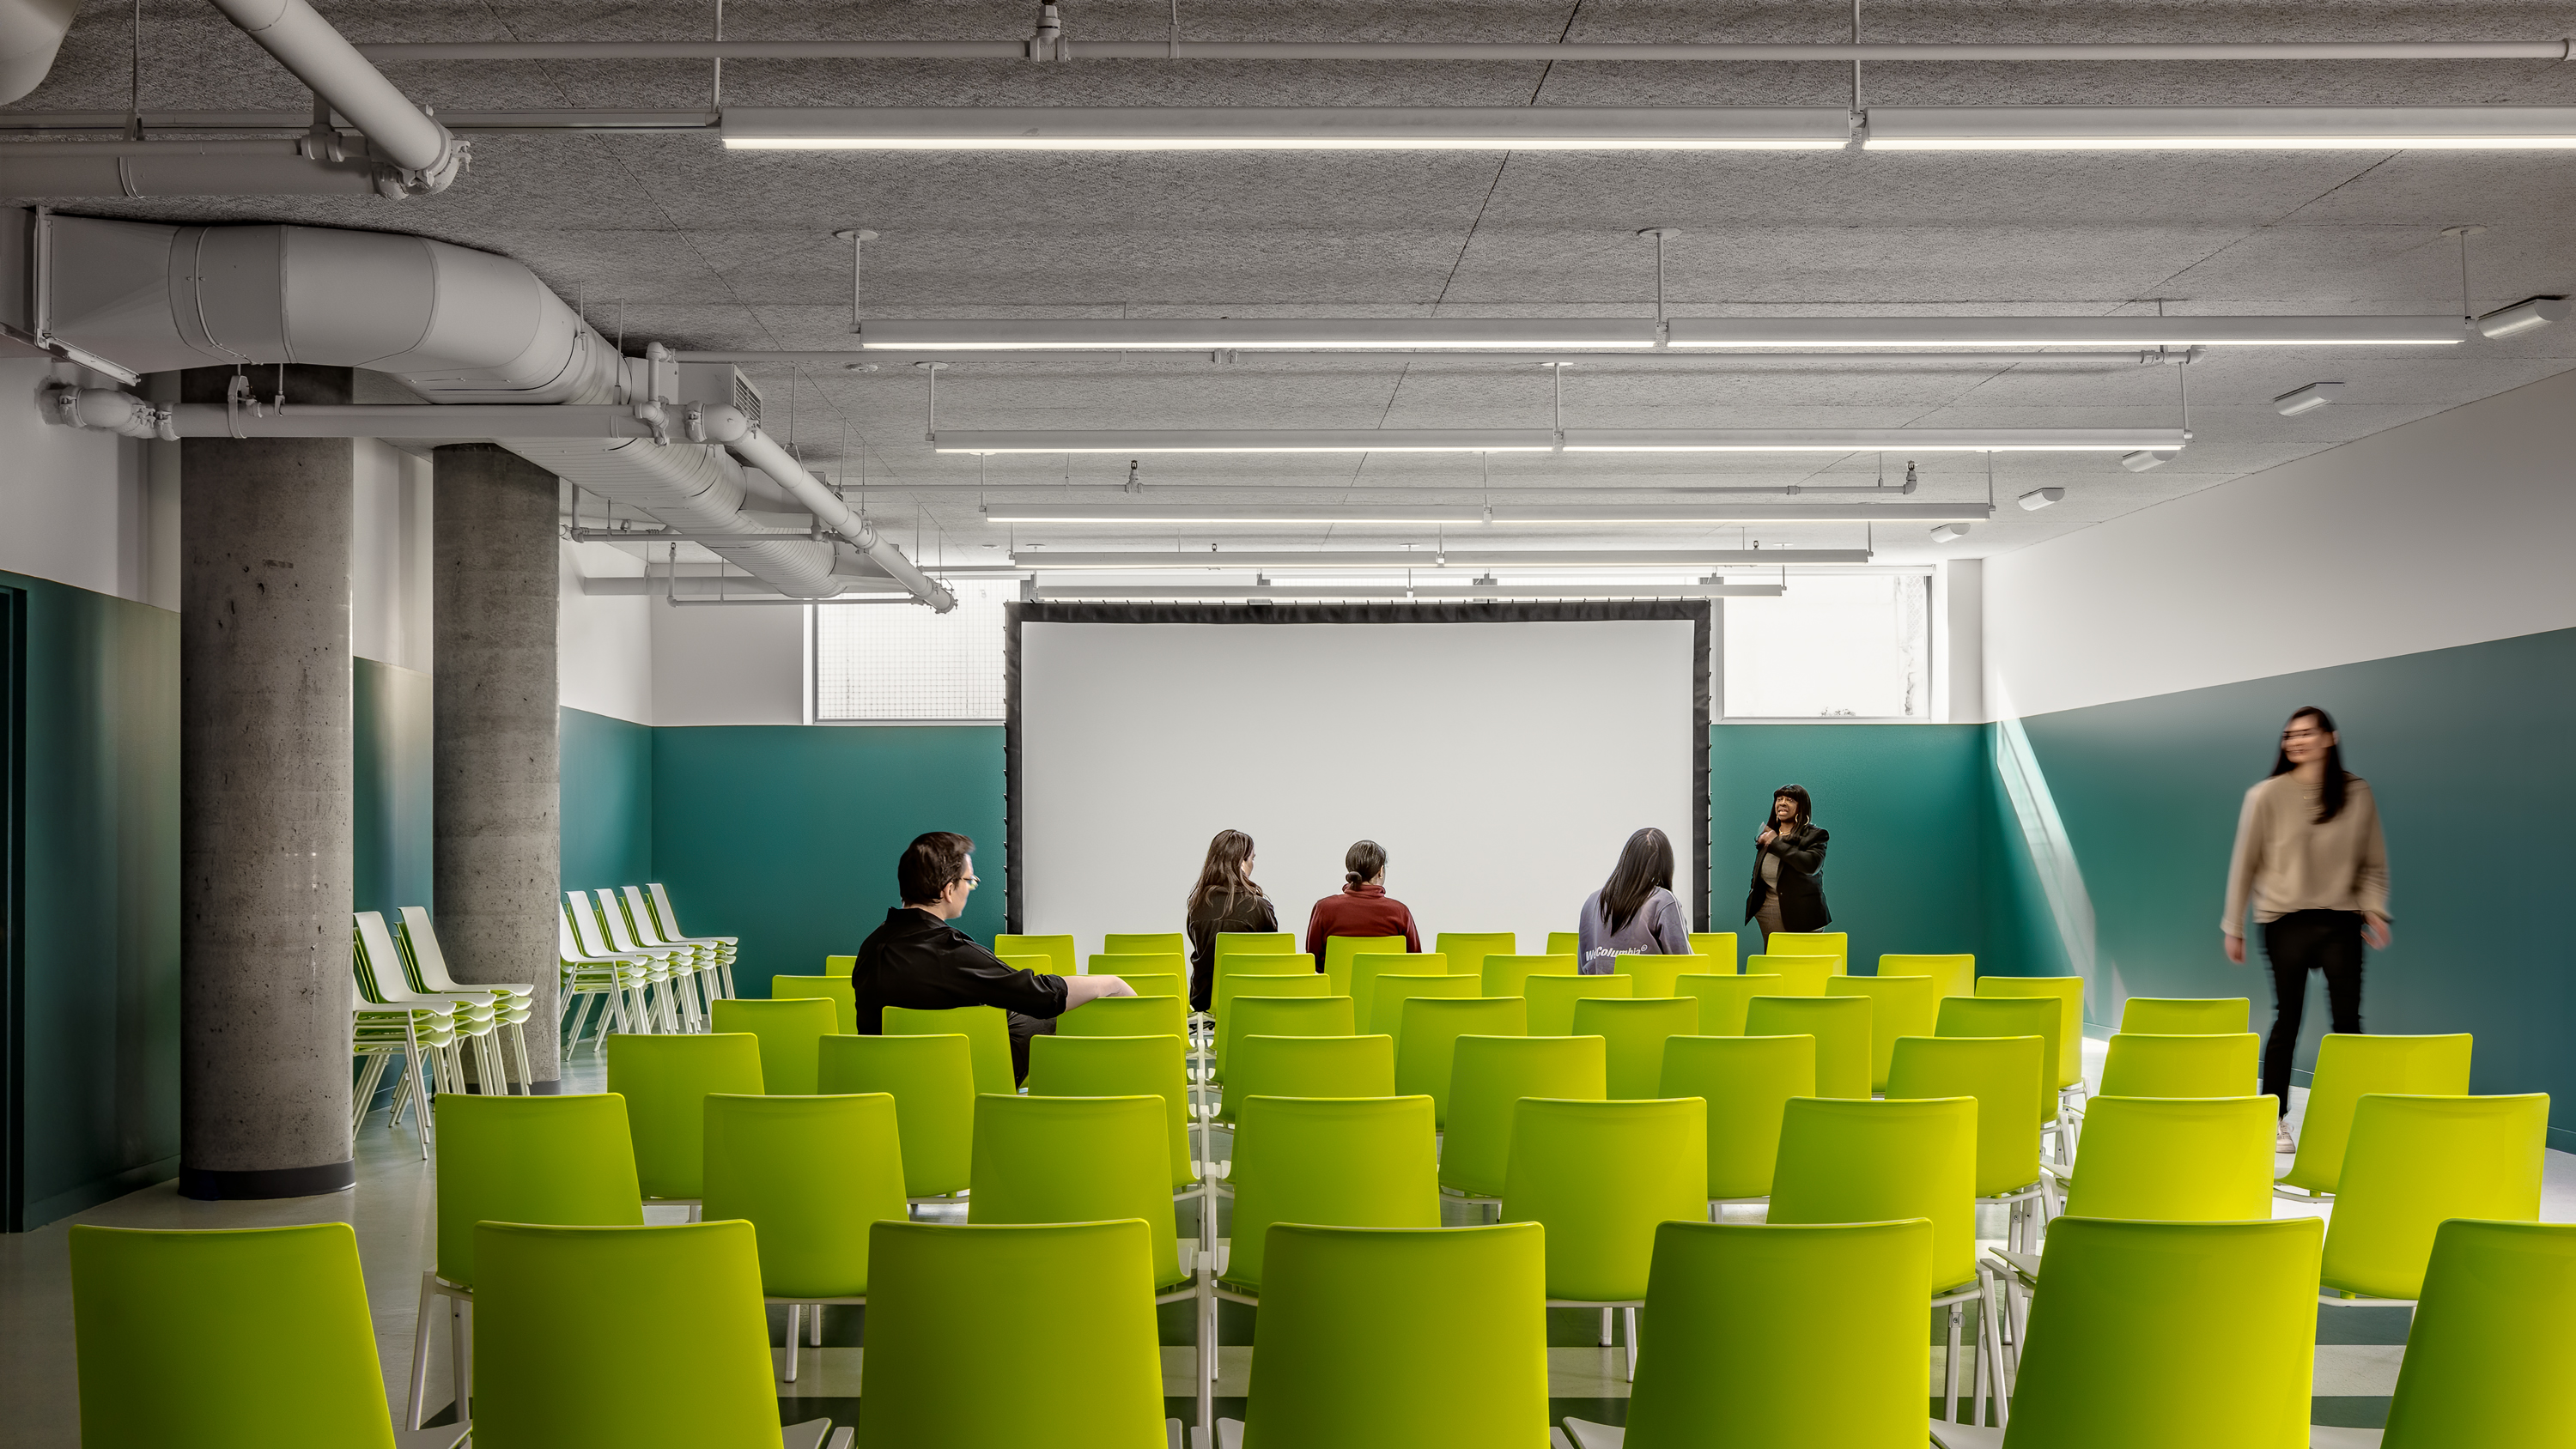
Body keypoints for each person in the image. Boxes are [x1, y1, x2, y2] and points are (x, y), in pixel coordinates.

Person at [2221, 706, 2391, 1153]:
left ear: (2330, 738)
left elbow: (2373, 862)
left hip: (2340, 921)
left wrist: (2374, 911)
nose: (2296, 741)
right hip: (2284, 921)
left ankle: (2355, 1115)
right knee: (2288, 1019)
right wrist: (2233, 925)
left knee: (2348, 1026)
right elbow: (2244, 864)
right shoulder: (2265, 795)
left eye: (2306, 733)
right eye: (2289, 735)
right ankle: (2274, 1119)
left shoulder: (2357, 792)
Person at [851, 831, 1132, 1082]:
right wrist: (1109, 984)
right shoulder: (950, 951)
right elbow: (1040, 995)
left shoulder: (871, 945)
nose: (970, 887)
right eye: (969, 881)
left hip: (883, 1082)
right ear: (948, 890)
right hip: (954, 1082)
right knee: (1032, 1016)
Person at [1184, 829, 1278, 1012]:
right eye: (1251, 858)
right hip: (1249, 1001)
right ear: (1242, 863)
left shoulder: (1196, 906)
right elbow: (1272, 956)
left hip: (1203, 1002)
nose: (1252, 864)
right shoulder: (1258, 907)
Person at [1577, 827, 1692, 973]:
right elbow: (1686, 966)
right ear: (1666, 865)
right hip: (1649, 995)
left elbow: (1582, 973)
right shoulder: (1664, 902)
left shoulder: (1591, 902)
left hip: (1596, 995)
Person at [1303, 840, 1422, 963]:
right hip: (1385, 983)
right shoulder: (1399, 912)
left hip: (1337, 982)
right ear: (1380, 871)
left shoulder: (1324, 908)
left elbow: (1313, 959)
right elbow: (1415, 960)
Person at [1742, 784, 1831, 946]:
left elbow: (1810, 865)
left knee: (1803, 966)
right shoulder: (1769, 834)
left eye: (1789, 800)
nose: (1782, 803)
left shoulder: (1816, 835)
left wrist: (1775, 842)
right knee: (1776, 963)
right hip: (1769, 913)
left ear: (1801, 808)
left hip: (1805, 916)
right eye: (1779, 799)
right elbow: (1759, 872)